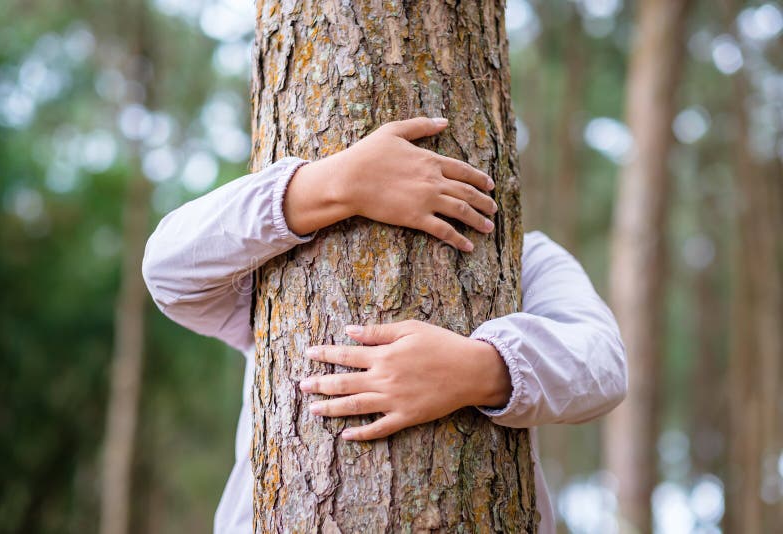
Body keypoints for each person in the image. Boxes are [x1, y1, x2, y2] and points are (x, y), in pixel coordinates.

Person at [142, 117, 628, 533]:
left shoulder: (525, 259)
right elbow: (167, 267)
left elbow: (604, 363)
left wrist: (478, 369)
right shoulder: (270, 266)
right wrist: (336, 183)